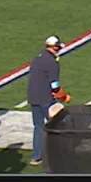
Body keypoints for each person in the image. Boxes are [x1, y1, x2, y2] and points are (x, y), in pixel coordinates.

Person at [26, 35, 64, 166]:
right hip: (45, 98)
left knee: (38, 126)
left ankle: (36, 156)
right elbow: (54, 85)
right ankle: (58, 153)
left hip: (33, 97)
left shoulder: (37, 58)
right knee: (57, 124)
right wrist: (64, 97)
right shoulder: (52, 62)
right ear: (55, 47)